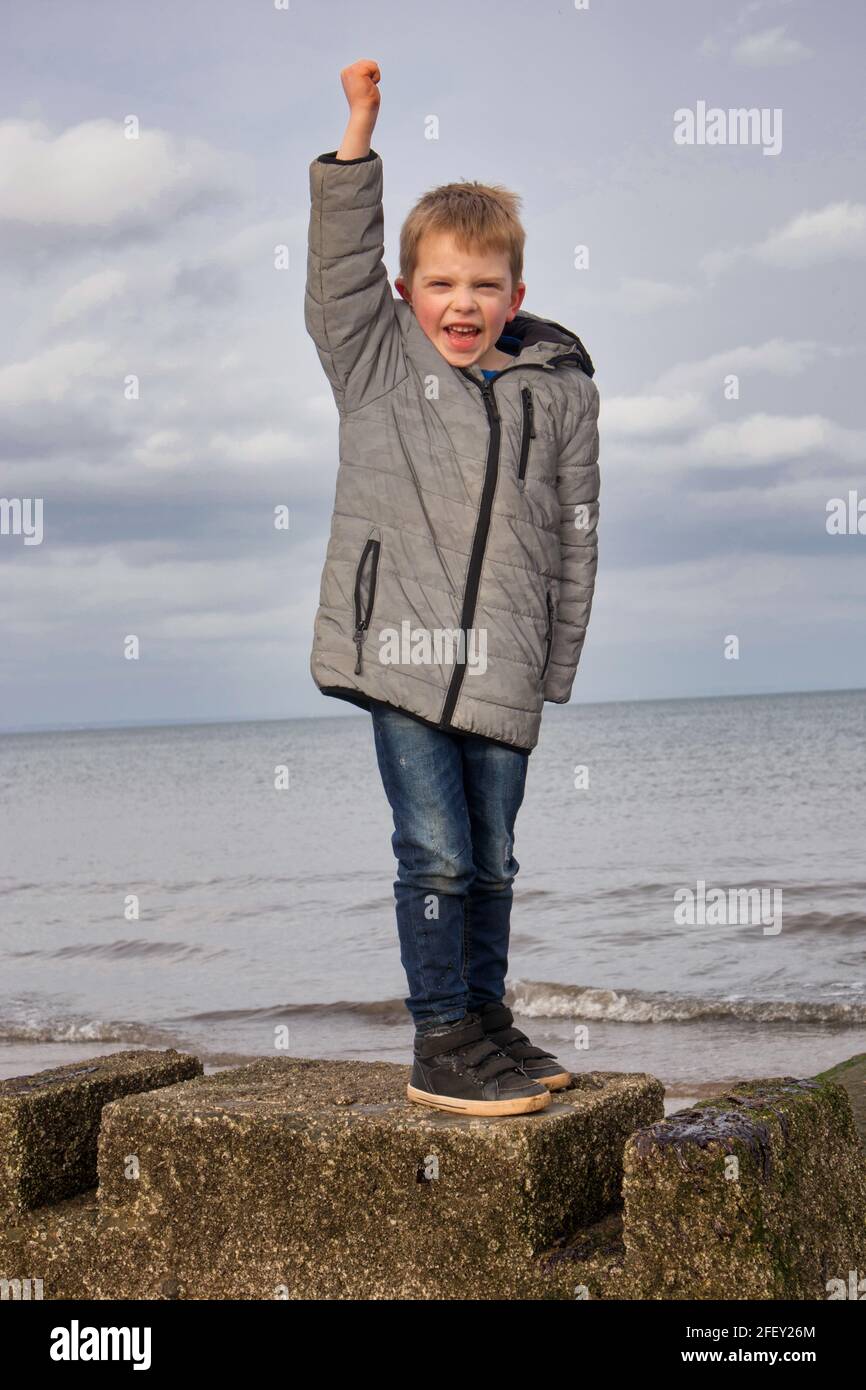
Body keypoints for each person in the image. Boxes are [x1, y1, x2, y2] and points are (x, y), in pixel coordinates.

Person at [304, 60, 601, 1116]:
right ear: (404, 291)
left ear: (515, 297)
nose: (461, 303)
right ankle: (440, 1040)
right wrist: (357, 137)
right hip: (402, 656)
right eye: (439, 283)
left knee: (494, 857)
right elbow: (337, 269)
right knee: (433, 850)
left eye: (483, 286)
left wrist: (553, 664)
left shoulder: (558, 395)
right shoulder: (375, 365)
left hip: (505, 667)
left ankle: (485, 1019)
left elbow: (575, 534)